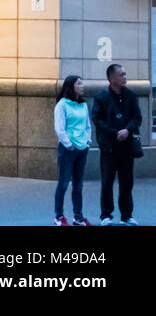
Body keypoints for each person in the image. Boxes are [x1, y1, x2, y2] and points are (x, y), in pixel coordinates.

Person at [91, 63, 142, 225]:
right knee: (107, 181)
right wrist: (115, 133)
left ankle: (127, 215)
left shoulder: (131, 95)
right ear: (112, 78)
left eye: (125, 74)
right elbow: (97, 119)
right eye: (121, 75)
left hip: (127, 146)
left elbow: (137, 118)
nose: (125, 77)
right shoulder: (101, 97)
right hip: (109, 146)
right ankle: (106, 215)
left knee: (127, 181)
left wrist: (127, 130)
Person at [52, 75, 92, 226]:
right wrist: (69, 145)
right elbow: (59, 128)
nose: (83, 86)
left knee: (78, 184)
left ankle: (78, 217)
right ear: (71, 86)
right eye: (79, 83)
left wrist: (88, 141)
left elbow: (87, 125)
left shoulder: (83, 105)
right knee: (63, 183)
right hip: (68, 149)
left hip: (82, 148)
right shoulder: (62, 105)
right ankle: (59, 216)